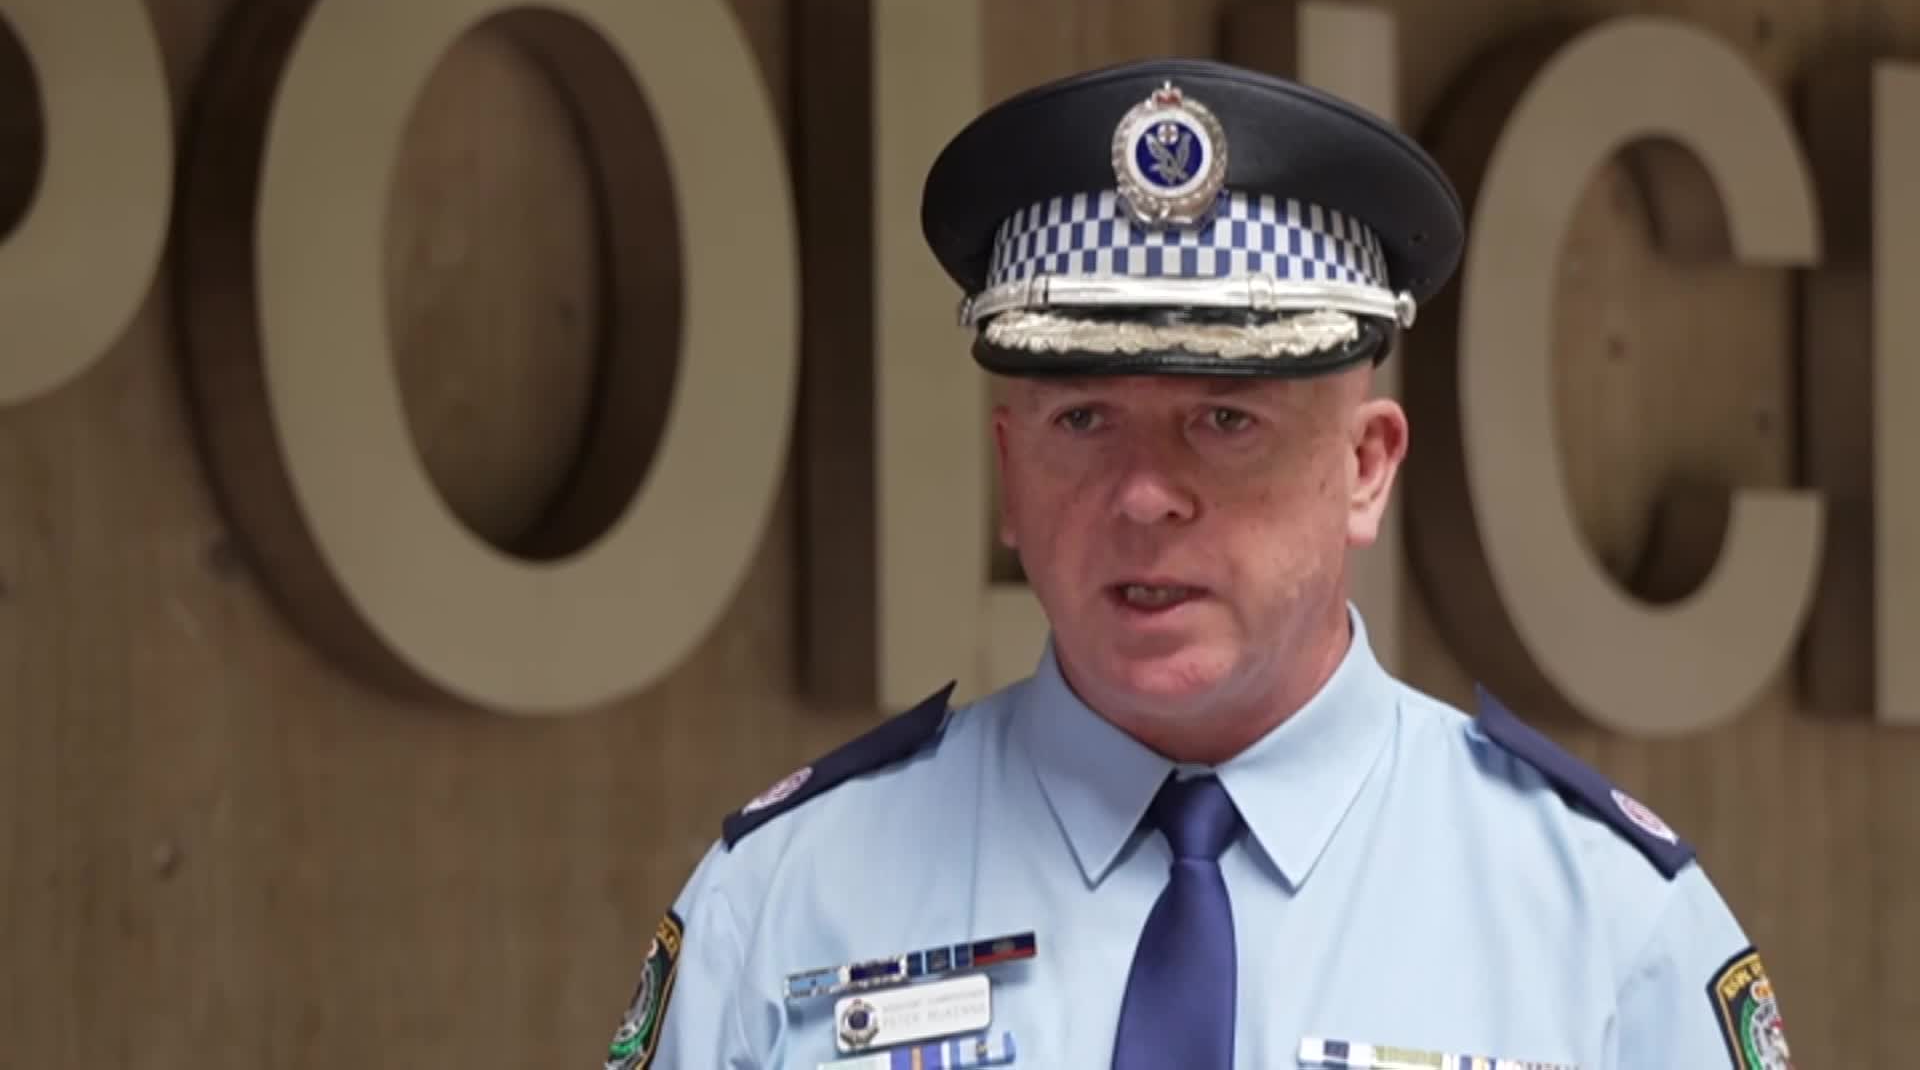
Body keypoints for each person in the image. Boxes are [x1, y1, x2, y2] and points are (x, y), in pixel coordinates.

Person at [600, 58, 1795, 1070]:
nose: (1144, 495)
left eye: (1227, 421)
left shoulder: (1605, 924)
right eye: (1083, 421)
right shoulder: (785, 900)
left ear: (1367, 469)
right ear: (1009, 472)